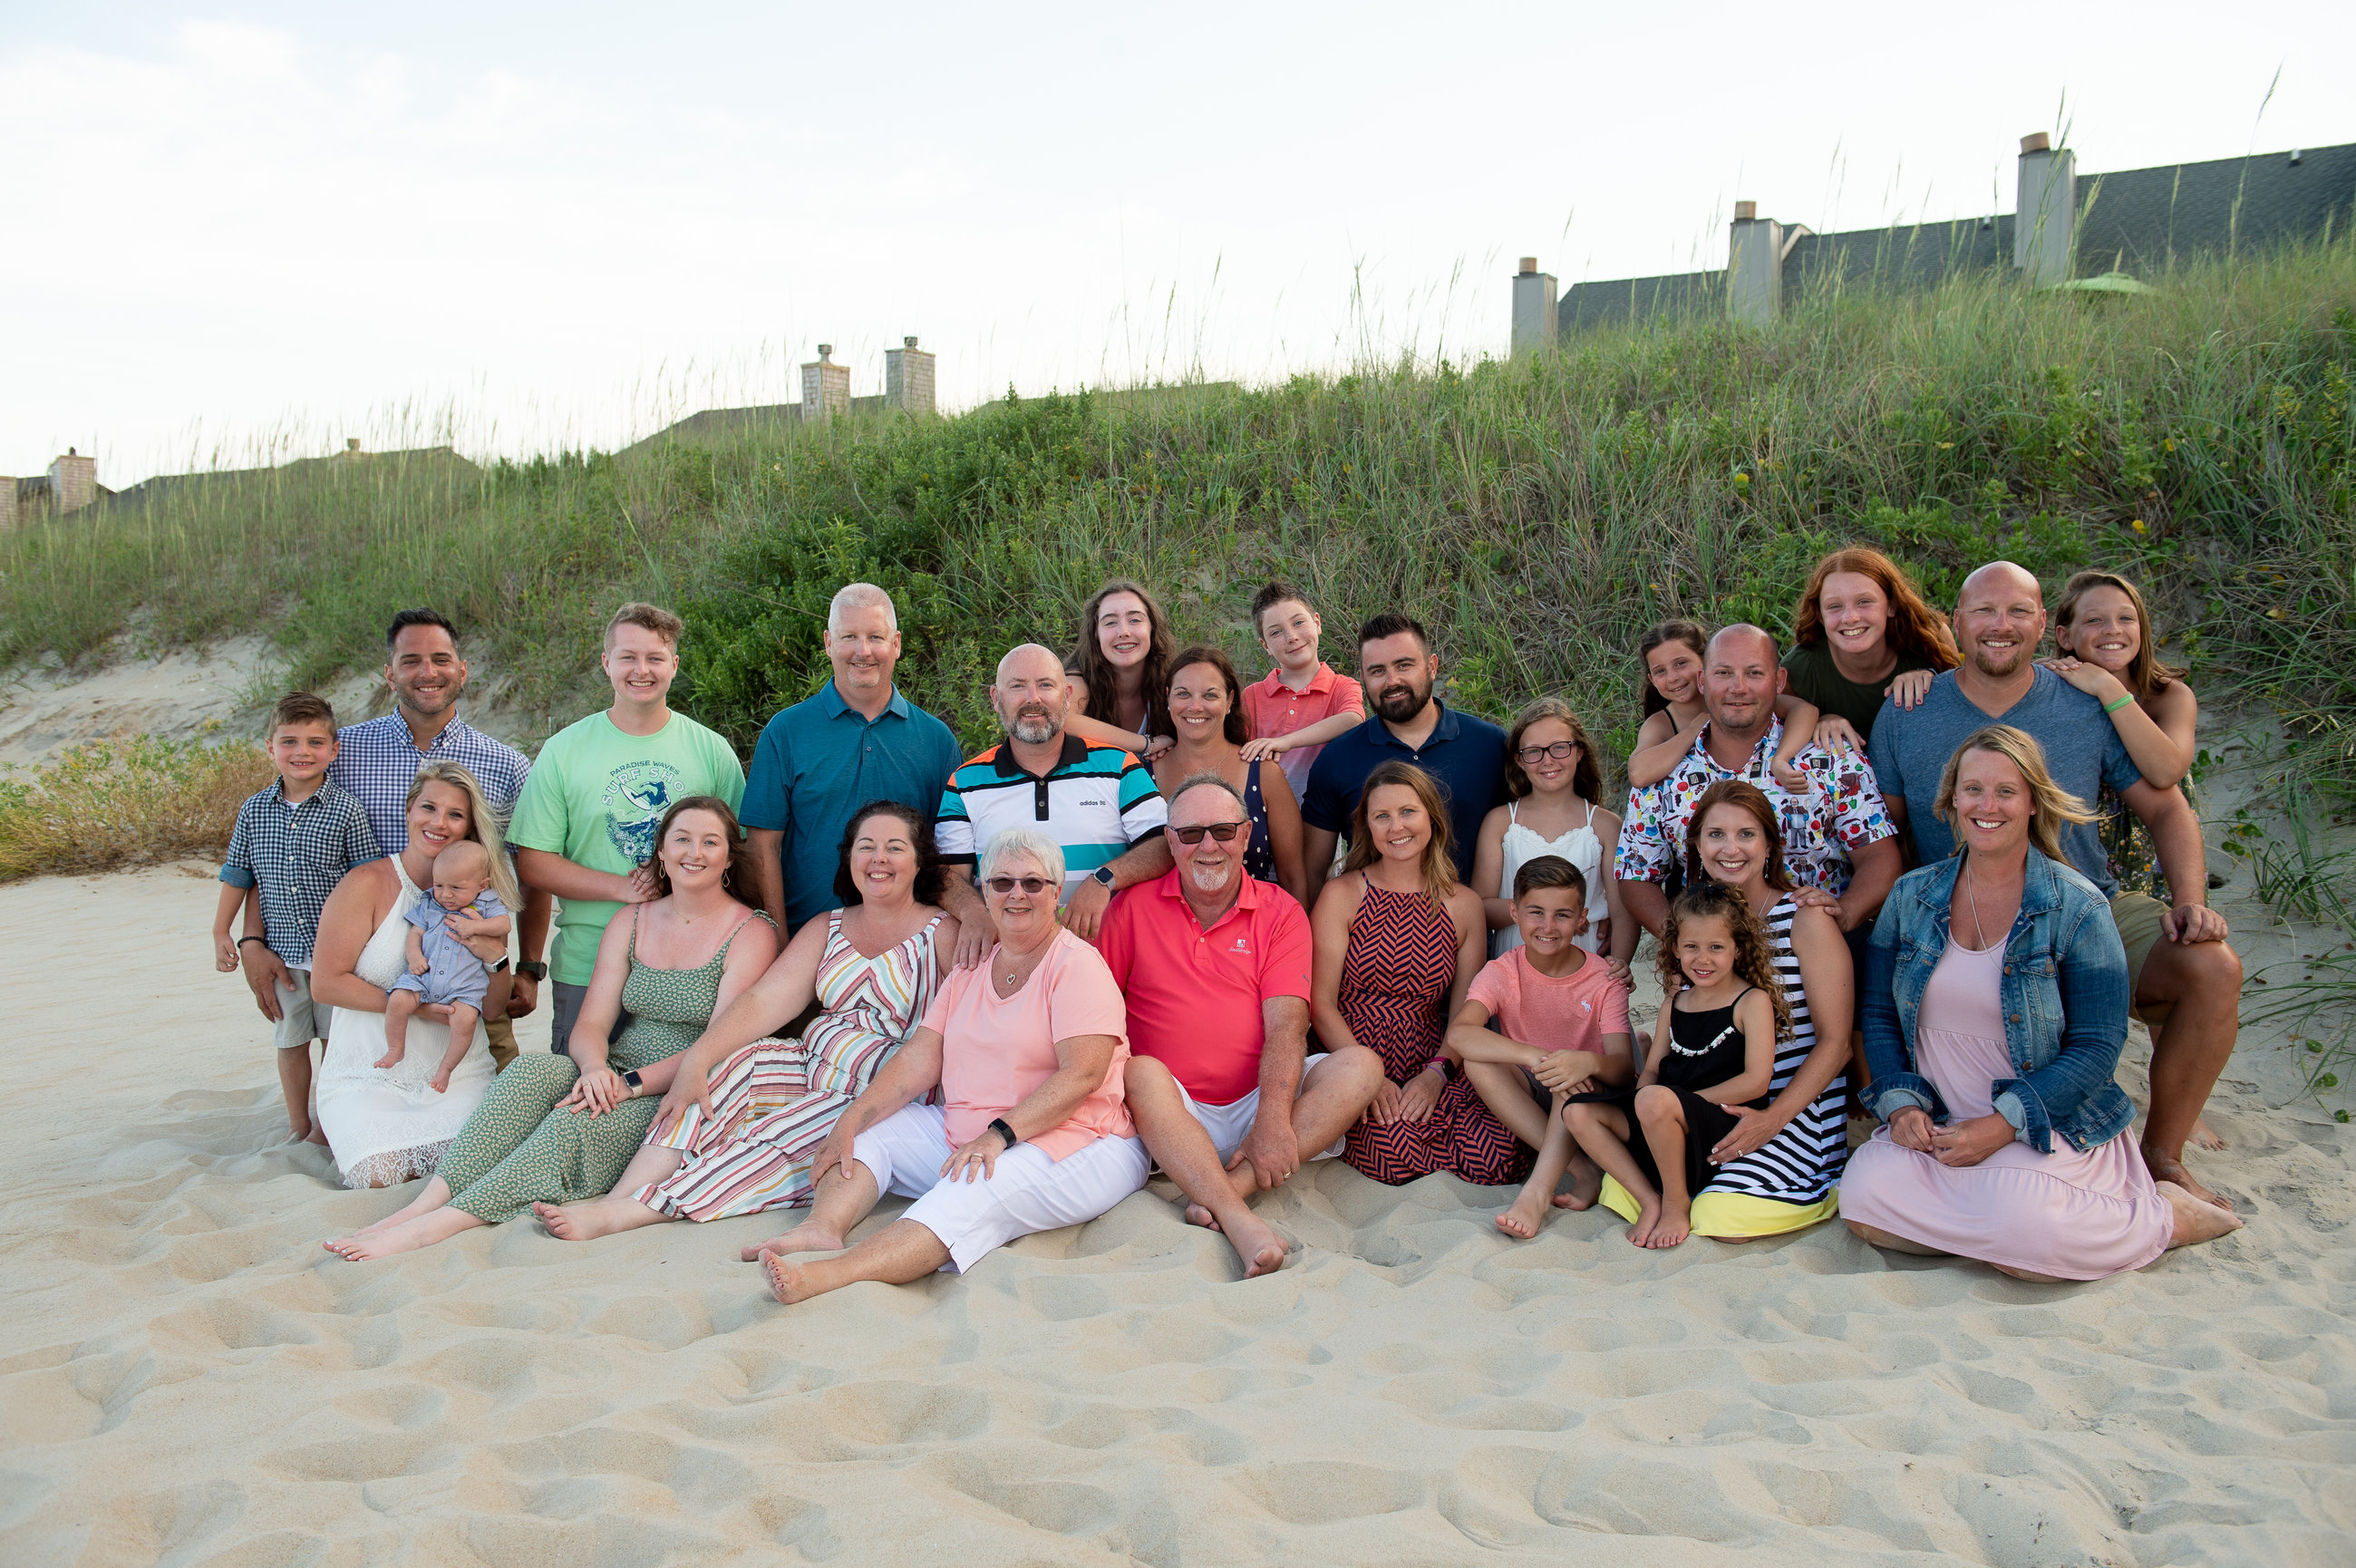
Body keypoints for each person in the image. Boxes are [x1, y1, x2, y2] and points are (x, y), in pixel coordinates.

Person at [1867, 560, 2242, 1206]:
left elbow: (2165, 805)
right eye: (1983, 611)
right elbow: (1883, 835)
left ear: (2045, 624)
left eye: (2018, 611)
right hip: (1956, 920)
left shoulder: (2084, 701)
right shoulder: (1910, 708)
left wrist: (2190, 902)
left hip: (2084, 906)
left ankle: (2160, 1154)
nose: (1999, 625)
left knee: (2211, 969)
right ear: (1954, 622)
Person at [1843, 726, 2242, 1279]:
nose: (1987, 806)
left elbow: (2098, 1046)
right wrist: (1902, 1103)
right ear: (1952, 799)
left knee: (2029, 1245)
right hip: (1939, 1123)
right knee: (1865, 1205)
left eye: (2006, 792)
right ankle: (2002, 1228)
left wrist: (2003, 1125)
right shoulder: (1913, 896)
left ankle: (2167, 1219)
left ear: (2033, 801)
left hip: (2039, 1126)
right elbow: (1880, 1015)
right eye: (1973, 789)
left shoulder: (2076, 907)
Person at [322, 797, 778, 1258]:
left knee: (573, 1119)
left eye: (709, 842)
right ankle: (427, 1201)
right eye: (681, 839)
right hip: (615, 1068)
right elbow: (592, 1023)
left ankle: (440, 1225)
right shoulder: (633, 919)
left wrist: (625, 1086)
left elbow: (719, 1045)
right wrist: (596, 1067)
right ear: (660, 851)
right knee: (529, 1072)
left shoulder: (750, 932)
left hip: (681, 1086)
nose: (693, 853)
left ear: (726, 857)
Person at [745, 829, 1150, 1304]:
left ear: (1056, 892)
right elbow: (922, 1054)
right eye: (1002, 883)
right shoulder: (976, 963)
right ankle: (822, 1228)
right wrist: (854, 1117)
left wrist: (997, 1136)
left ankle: (828, 1275)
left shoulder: (1077, 965)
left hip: (1079, 1142)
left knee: (968, 1184)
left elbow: (1081, 1075)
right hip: (973, 1128)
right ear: (985, 892)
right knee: (873, 1134)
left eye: (1032, 884)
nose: (1016, 894)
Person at [532, 801, 956, 1240]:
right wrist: (698, 1060)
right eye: (866, 847)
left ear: (920, 859)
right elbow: (761, 1002)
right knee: (724, 1065)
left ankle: (639, 1211)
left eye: (894, 848)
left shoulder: (944, 934)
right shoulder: (827, 927)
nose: (878, 859)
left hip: (875, 1087)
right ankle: (618, 1197)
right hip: (810, 1062)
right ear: (849, 858)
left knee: (777, 1136)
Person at [1100, 774, 1385, 1277]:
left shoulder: (1280, 911)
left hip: (1260, 1099)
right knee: (1138, 1071)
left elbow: (1287, 1027)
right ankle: (1238, 1218)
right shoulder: (1130, 909)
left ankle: (1231, 1190)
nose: (1209, 846)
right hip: (1172, 1108)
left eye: (1224, 831)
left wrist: (1272, 1121)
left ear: (1247, 835)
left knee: (1362, 1066)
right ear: (1170, 841)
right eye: (1190, 834)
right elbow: (1100, 1015)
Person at [1600, 781, 1855, 1237]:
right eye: (1716, 835)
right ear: (1696, 845)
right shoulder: (1696, 927)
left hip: (1789, 1111)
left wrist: (1771, 1120)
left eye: (1746, 834)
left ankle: (1813, 1186)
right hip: (1710, 1104)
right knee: (1619, 1190)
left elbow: (1837, 1045)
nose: (1730, 849)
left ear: (1770, 845)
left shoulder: (1805, 918)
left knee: (1716, 1215)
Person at [509, 602, 747, 1054]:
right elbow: (535, 862)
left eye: (655, 658)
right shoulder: (563, 752)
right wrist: (624, 888)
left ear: (674, 665)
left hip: (691, 968)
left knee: (677, 1106)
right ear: (606, 663)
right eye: (628, 657)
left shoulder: (712, 752)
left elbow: (741, 854)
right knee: (584, 1098)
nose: (642, 670)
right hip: (588, 962)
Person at [325, 609, 545, 1070]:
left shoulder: (506, 765)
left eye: (441, 659)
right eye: (411, 661)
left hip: (468, 969)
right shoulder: (343, 754)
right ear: (389, 674)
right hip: (375, 970)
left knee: (490, 1095)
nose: (427, 672)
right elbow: (298, 845)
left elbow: (531, 873)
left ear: (462, 670)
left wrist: (527, 967)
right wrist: (256, 940)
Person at [1614, 624, 1900, 974]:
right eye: (1724, 674)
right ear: (1703, 682)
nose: (1738, 688)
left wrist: (1845, 914)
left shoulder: (1831, 760)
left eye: (1754, 673)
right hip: (1714, 971)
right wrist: (1684, 941)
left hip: (1825, 958)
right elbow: (1635, 873)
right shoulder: (1666, 775)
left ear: (1779, 681)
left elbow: (1880, 857)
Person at [1315, 761, 1523, 1186]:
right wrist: (1370, 1079)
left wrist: (1437, 1073)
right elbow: (1320, 1004)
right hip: (1354, 1055)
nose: (1397, 827)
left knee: (1498, 1151)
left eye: (1408, 812)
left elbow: (1468, 1012)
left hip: (1432, 1057)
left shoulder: (1463, 904)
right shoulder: (1343, 894)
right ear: (1367, 827)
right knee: (1395, 1153)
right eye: (1382, 816)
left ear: (1431, 816)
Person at [307, 762, 509, 1188]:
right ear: (408, 810)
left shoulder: (484, 903)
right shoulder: (366, 883)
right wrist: (416, 1008)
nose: (439, 823)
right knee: (379, 1175)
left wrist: (496, 960)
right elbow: (325, 982)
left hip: (456, 1074)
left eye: (455, 815)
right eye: (429, 808)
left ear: (470, 828)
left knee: (473, 1169)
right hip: (369, 1074)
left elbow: (492, 1007)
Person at [1567, 881, 1786, 1249]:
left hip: (1715, 1117)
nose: (1703, 959)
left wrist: (1684, 1102)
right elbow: (1653, 1068)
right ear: (1675, 948)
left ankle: (1675, 1200)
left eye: (1716, 947)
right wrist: (1644, 1105)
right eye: (1691, 947)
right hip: (1663, 1110)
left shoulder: (1752, 1001)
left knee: (1656, 1100)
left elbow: (1756, 1081)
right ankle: (1648, 1197)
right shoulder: (1676, 1000)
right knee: (1578, 1114)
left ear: (1738, 948)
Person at [739, 583, 963, 939]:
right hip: (807, 944)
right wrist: (777, 941)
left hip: (912, 951)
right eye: (849, 637)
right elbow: (763, 845)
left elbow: (952, 851)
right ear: (828, 643)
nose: (863, 651)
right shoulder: (786, 732)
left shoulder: (935, 740)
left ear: (897, 644)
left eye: (875, 636)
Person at [934, 644, 1173, 964]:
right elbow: (948, 875)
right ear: (995, 698)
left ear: (1068, 695)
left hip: (1108, 958)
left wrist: (1103, 879)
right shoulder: (965, 782)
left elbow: (1164, 842)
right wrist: (972, 910)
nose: (1033, 698)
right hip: (1009, 963)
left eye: (1046, 685)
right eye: (1018, 686)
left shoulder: (1119, 766)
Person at [214, 692, 382, 1143]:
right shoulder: (254, 810)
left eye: (314, 742)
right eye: (289, 742)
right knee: (289, 1041)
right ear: (270, 748)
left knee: (334, 1042)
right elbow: (238, 874)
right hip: (282, 953)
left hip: (336, 955)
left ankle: (327, 1127)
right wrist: (220, 930)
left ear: (334, 749)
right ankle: (297, 1124)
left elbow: (364, 879)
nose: (302, 752)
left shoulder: (346, 810)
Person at [1443, 856, 1634, 1240]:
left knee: (1567, 1079)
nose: (1548, 927)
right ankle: (1582, 1168)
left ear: (1582, 918)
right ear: (1514, 912)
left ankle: (1537, 1192)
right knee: (1479, 1063)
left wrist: (1586, 1062)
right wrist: (1535, 1056)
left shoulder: (1604, 979)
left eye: (1563, 915)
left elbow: (1623, 1069)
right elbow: (1460, 1035)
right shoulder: (1503, 970)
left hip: (1589, 1099)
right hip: (1532, 1090)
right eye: (1536, 912)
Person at [1300, 614, 1509, 907]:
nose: (1392, 681)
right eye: (1377, 671)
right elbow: (1311, 872)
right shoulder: (1336, 759)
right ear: (1363, 678)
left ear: (1432, 666)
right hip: (1369, 938)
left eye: (1404, 665)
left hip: (1475, 933)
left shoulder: (1491, 746)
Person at [2046, 569, 2199, 901]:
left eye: (2126, 618)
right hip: (2084, 847)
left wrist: (2106, 686)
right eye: (2094, 620)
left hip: (2157, 841)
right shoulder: (2051, 689)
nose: (2112, 629)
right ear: (2065, 636)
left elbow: (2166, 771)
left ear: (2141, 630)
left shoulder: (2169, 696)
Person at [1470, 697, 1626, 965]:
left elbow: (1623, 912)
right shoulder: (1500, 823)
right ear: (1519, 761)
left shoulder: (1606, 826)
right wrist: (1550, 914)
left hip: (1586, 962)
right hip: (1516, 963)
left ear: (1579, 752)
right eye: (1534, 751)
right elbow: (1480, 905)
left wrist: (1619, 966)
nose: (1547, 760)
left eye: (1559, 748)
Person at [1153, 644, 1308, 905]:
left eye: (1210, 695)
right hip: (1162, 935)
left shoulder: (1264, 773)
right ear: (1168, 698)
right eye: (1183, 694)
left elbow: (1293, 877)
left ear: (1230, 701)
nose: (1195, 706)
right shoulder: (1140, 772)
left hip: (1252, 933)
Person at [1780, 546, 1954, 752]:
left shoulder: (1930, 638)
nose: (1850, 617)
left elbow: (1963, 704)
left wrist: (1932, 678)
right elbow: (1773, 721)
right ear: (1819, 614)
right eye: (1834, 606)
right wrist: (1818, 720)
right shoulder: (1803, 665)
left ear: (1892, 605)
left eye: (1864, 602)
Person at [376, 840, 512, 1094]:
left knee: (466, 1019)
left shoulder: (486, 903)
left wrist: (475, 927)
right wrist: (414, 956)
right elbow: (415, 934)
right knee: (398, 1000)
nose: (446, 895)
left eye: (456, 888)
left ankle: (446, 1068)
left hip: (464, 986)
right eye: (439, 885)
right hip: (425, 978)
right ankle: (395, 1047)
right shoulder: (430, 903)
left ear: (481, 885)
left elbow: (504, 925)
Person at [1626, 618, 1821, 789]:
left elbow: (1804, 710)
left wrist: (1781, 758)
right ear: (1652, 680)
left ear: (1707, 662)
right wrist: (1693, 731)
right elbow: (1639, 774)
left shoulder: (1742, 700)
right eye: (1661, 671)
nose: (1673, 677)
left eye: (1680, 664)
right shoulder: (1661, 723)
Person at [1236, 580, 1366, 801]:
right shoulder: (1253, 695)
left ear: (1317, 623)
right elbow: (1241, 753)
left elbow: (1353, 719)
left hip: (1323, 815)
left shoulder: (1342, 686)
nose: (1291, 637)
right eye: (1276, 633)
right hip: (1265, 810)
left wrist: (1287, 741)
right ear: (1265, 646)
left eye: (1298, 623)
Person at [1063, 578, 1177, 755]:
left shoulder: (1171, 678)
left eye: (1135, 620)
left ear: (1152, 628)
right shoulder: (1080, 677)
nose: (1123, 631)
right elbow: (1059, 719)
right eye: (1110, 622)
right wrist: (1147, 744)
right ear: (1096, 633)